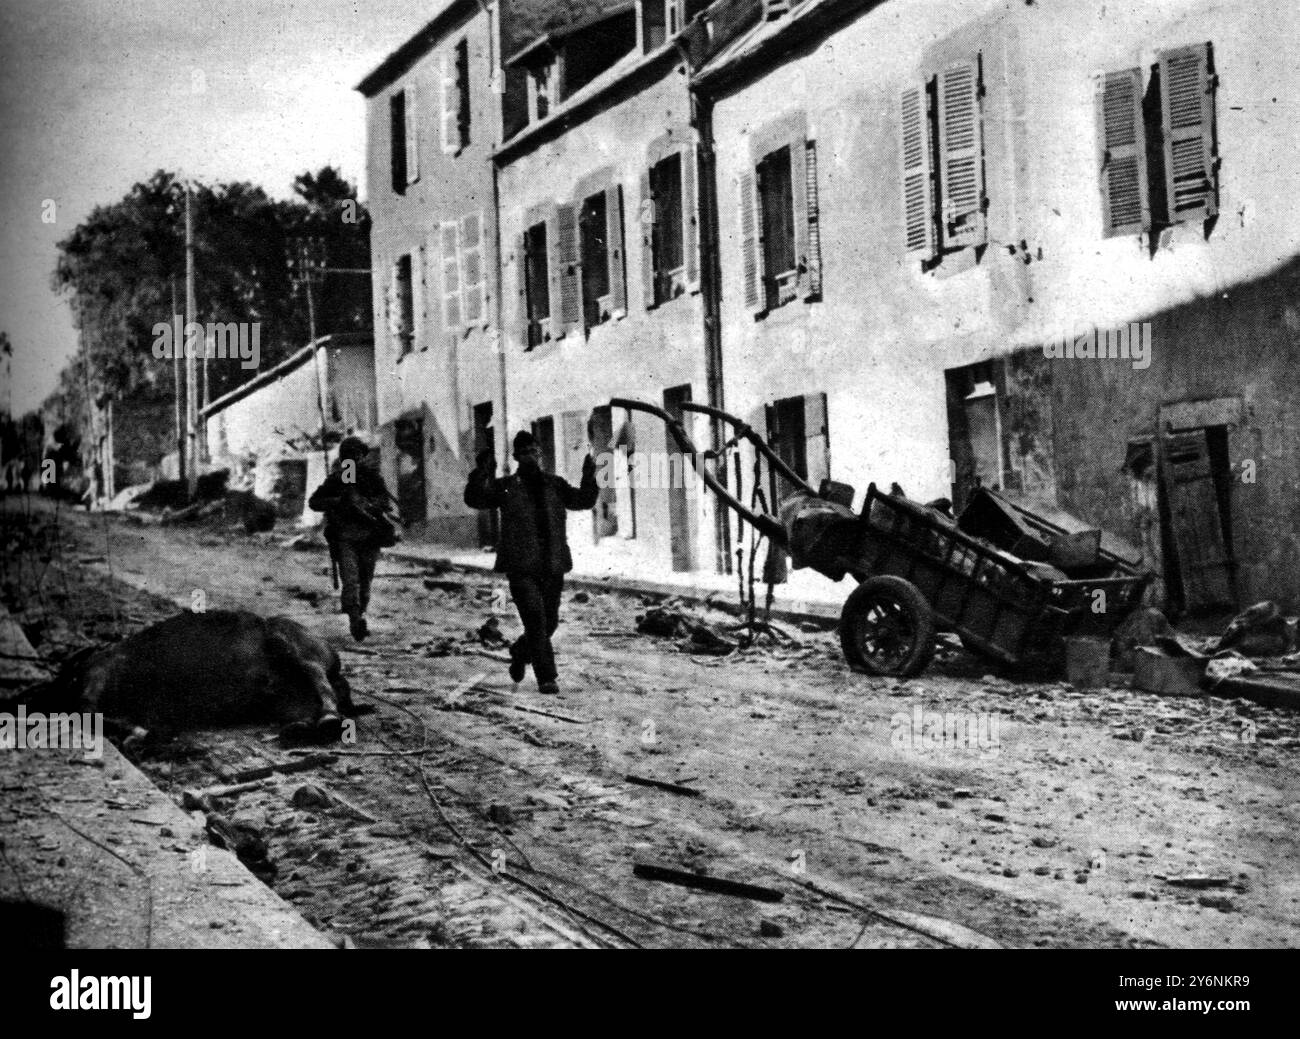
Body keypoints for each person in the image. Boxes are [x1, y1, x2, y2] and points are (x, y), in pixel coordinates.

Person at [464, 429, 598, 694]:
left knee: (550, 623)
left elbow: (584, 500)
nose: (529, 456)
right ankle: (546, 677)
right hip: (520, 566)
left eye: (532, 451)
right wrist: (480, 471)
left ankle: (520, 651)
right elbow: (475, 499)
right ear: (515, 456)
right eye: (522, 453)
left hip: (552, 564)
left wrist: (589, 475)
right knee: (536, 619)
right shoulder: (505, 486)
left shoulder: (555, 484)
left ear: (540, 452)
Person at [308, 436, 397, 642]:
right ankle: (355, 619)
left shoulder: (372, 478)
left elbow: (384, 501)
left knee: (365, 582)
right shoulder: (338, 479)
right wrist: (339, 500)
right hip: (345, 537)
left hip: (369, 537)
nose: (353, 459)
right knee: (351, 580)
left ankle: (360, 614)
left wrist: (371, 505)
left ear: (362, 456)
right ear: (343, 458)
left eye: (356, 455)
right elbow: (315, 501)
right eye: (349, 455)